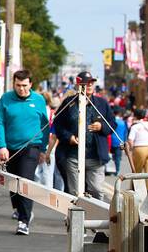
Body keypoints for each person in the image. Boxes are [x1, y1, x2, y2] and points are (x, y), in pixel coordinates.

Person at [0, 69, 50, 235]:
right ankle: (20, 209)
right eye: (18, 85)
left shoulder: (38, 100)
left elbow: (45, 126)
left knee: (25, 181)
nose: (21, 89)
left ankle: (23, 221)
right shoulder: (6, 99)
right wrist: (1, 146)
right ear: (14, 84)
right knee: (13, 183)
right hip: (10, 148)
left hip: (31, 147)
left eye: (25, 85)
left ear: (30, 84)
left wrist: (43, 149)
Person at [50, 71, 117, 200]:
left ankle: (94, 218)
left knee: (96, 190)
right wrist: (68, 137)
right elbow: (58, 125)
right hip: (73, 156)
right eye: (86, 83)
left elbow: (113, 124)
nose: (90, 85)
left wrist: (102, 126)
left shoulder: (102, 103)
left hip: (95, 157)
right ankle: (75, 218)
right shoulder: (69, 103)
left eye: (91, 83)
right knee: (75, 193)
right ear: (79, 85)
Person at [127, 107, 148, 173]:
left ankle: (136, 183)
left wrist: (131, 150)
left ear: (135, 116)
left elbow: (130, 140)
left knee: (137, 171)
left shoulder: (134, 126)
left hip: (139, 148)